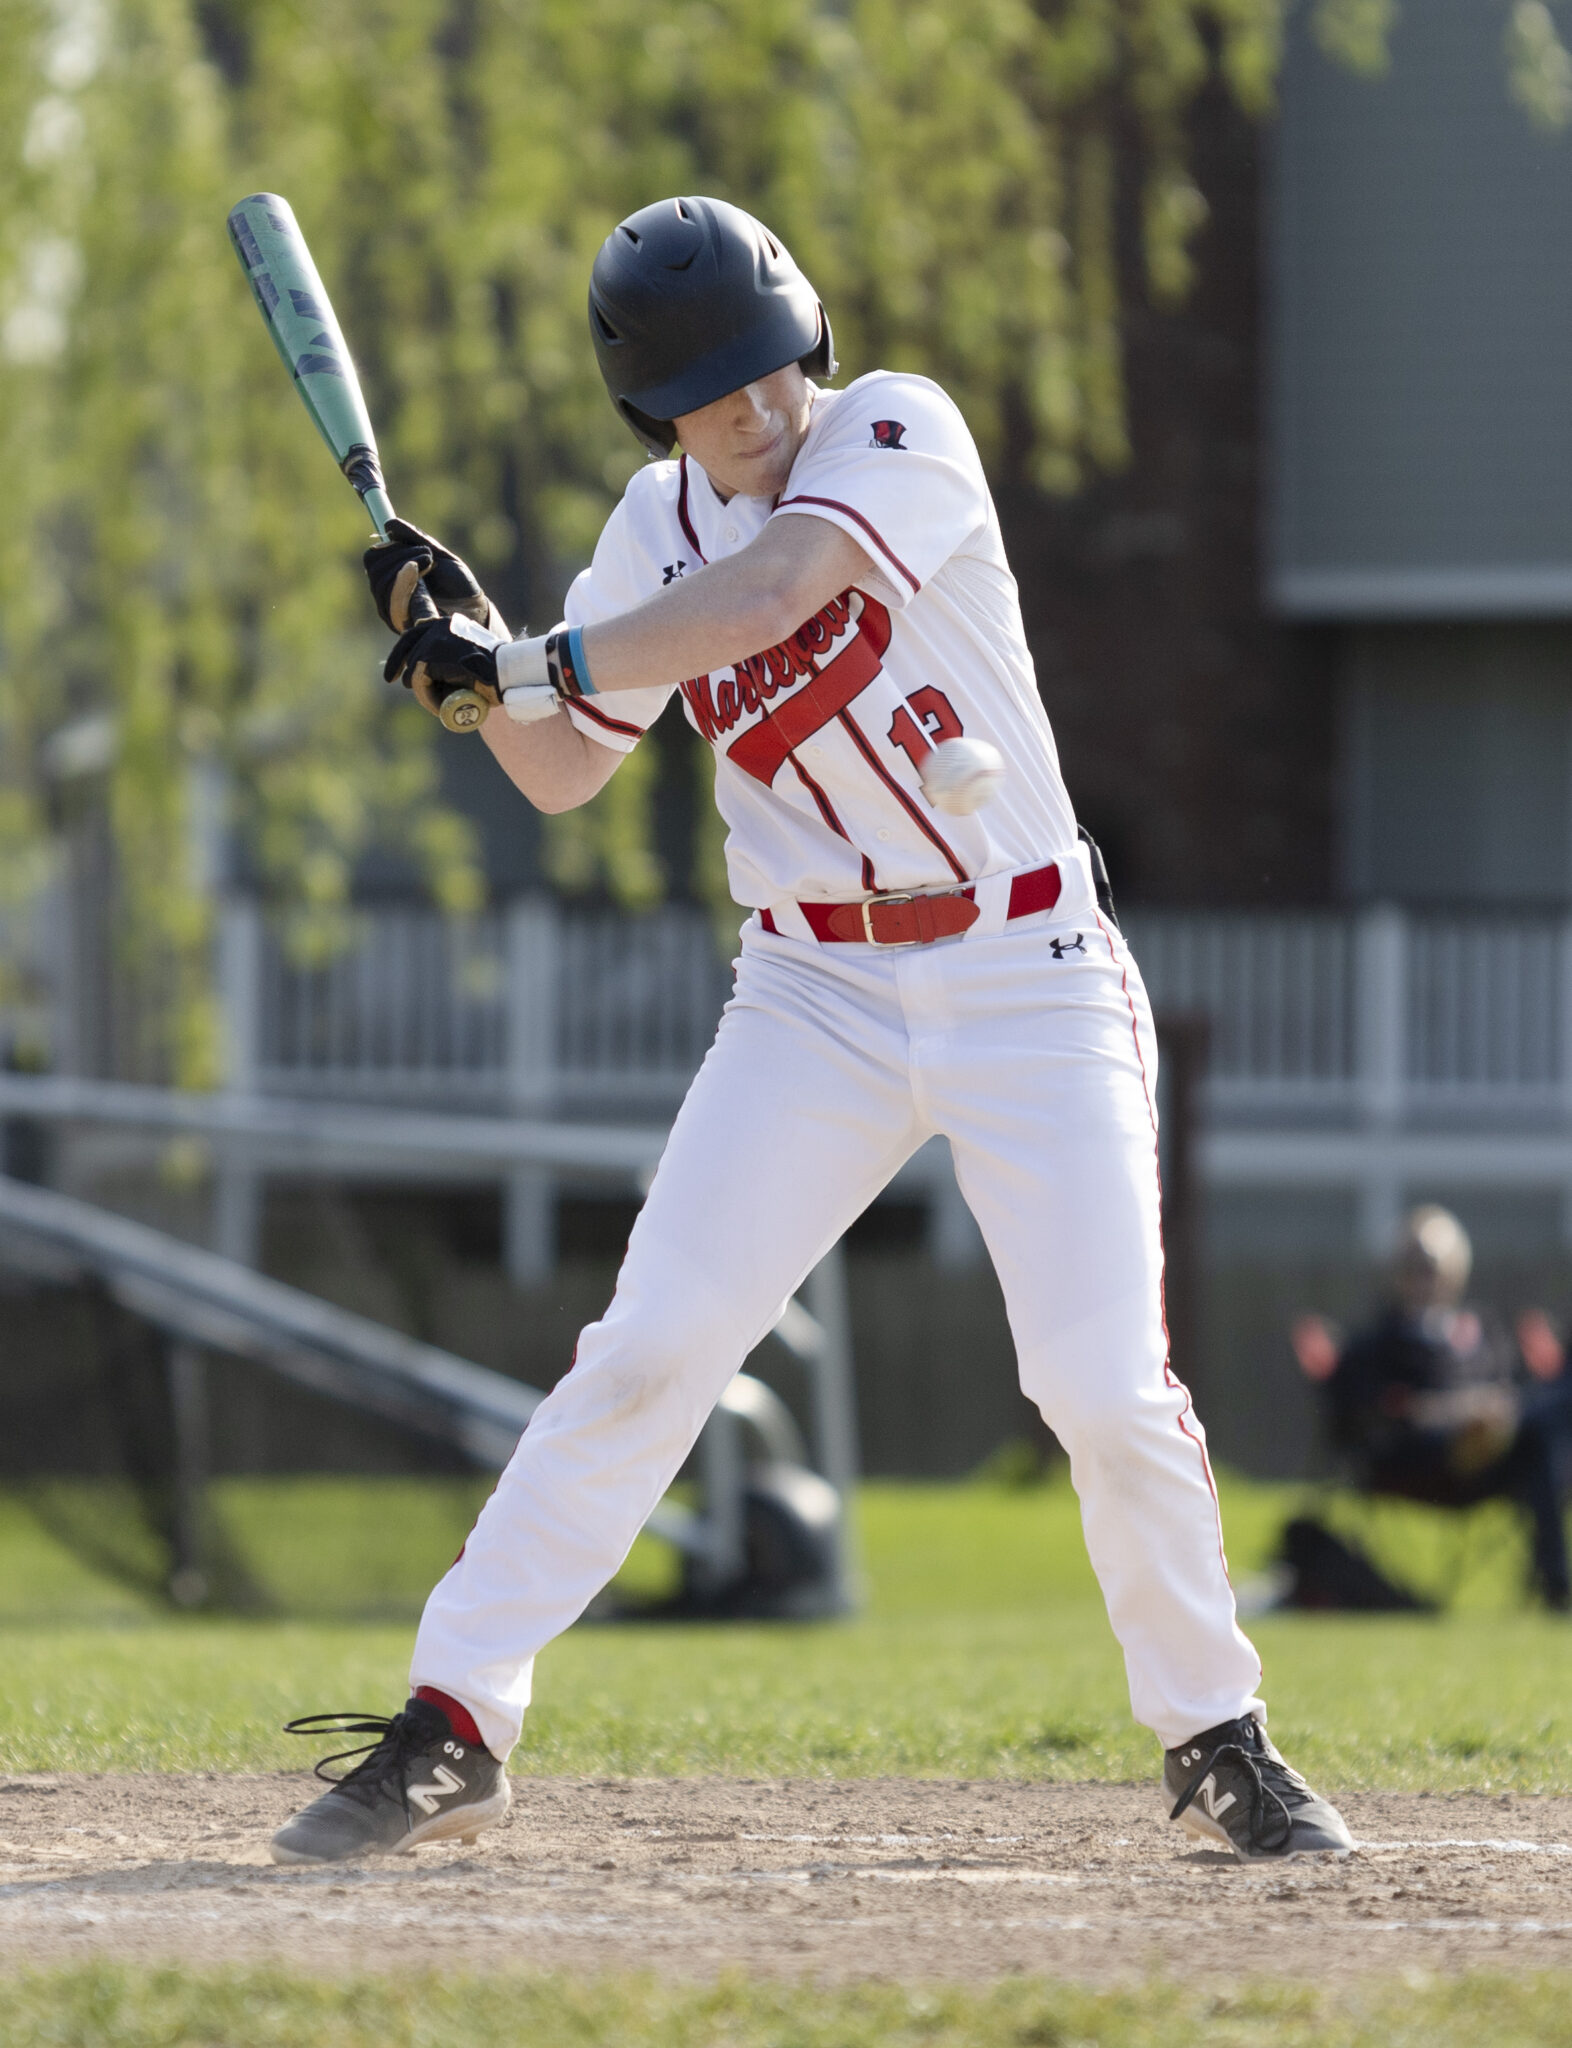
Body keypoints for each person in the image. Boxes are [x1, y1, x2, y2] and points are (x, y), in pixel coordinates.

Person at [270, 196, 1351, 1866]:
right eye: (713, 391)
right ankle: (455, 1716)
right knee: (651, 1344)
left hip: (1026, 965)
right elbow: (562, 770)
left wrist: (527, 653)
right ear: (654, 412)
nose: (758, 406)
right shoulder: (647, 533)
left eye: (771, 365)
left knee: (1095, 1380)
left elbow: (779, 594)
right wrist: (468, 679)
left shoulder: (897, 427)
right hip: (812, 993)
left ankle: (1217, 1731)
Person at [1293, 1205, 1572, 1608]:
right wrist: (1449, 1413)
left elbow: (1510, 1391)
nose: (1423, 1277)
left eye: (1432, 1266)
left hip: (1490, 1463)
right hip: (1417, 1461)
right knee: (1539, 1425)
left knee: (1542, 1431)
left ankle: (1555, 1586)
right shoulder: (1376, 1344)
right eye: (1413, 1265)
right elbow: (1363, 1416)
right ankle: (1557, 1586)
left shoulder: (1482, 1332)